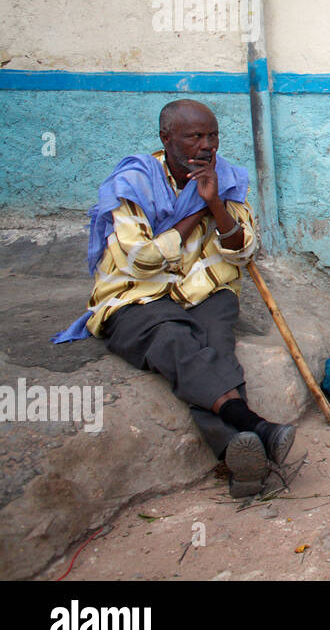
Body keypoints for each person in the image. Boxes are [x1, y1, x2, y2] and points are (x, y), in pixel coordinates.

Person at [53, 100, 294, 497]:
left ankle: (238, 450)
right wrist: (194, 213)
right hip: (137, 296)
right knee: (175, 339)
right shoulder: (133, 182)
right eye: (194, 136)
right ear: (166, 139)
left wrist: (214, 202)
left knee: (216, 347)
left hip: (204, 289)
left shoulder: (226, 178)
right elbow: (141, 259)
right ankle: (254, 428)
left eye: (212, 135)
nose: (206, 146)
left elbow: (243, 250)